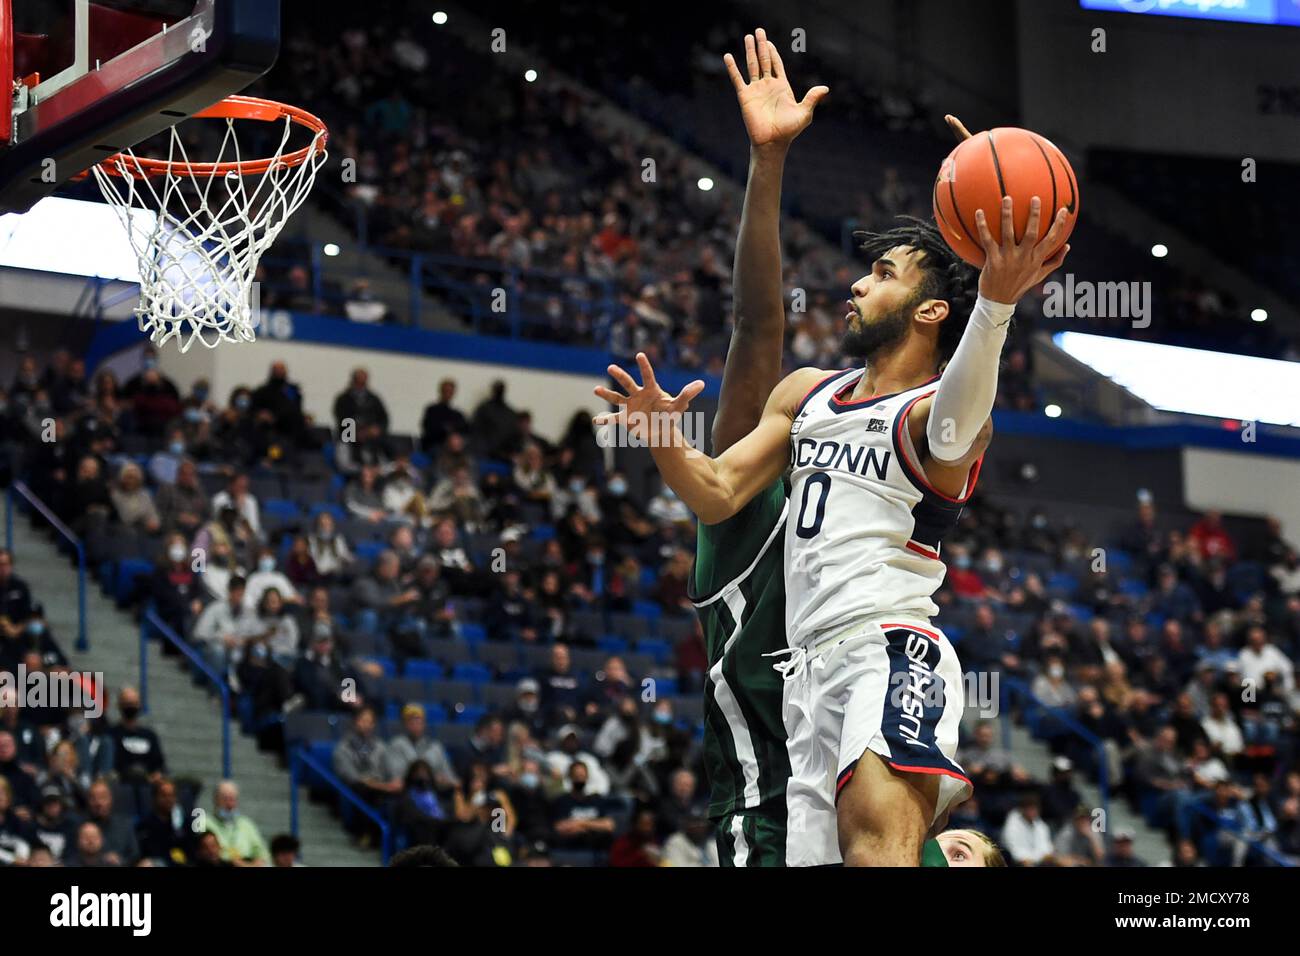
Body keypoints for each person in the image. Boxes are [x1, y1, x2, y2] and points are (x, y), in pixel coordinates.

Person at [598, 30, 1070, 861]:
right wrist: (665, 436)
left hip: (889, 649)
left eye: (885, 274)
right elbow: (713, 491)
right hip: (803, 679)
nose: (857, 282)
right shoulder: (805, 394)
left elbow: (961, 418)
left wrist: (995, 301)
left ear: (931, 313)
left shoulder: (937, 415)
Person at [202, 780, 270, 866]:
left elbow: (262, 852)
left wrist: (256, 863)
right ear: (215, 800)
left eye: (233, 799)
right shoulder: (204, 823)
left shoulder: (247, 824)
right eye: (225, 799)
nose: (230, 805)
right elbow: (208, 853)